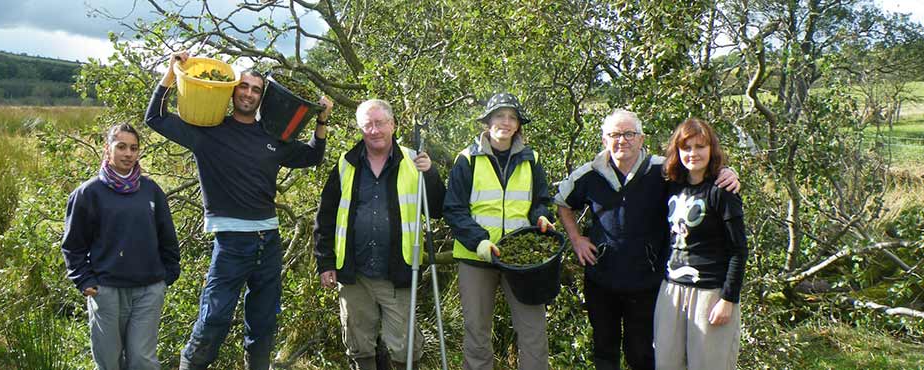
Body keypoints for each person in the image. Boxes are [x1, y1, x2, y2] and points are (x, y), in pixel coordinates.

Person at [144, 52, 333, 370]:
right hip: (231, 243)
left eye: (256, 89)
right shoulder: (208, 132)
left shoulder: (273, 138)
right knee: (214, 316)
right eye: (243, 86)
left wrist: (322, 120)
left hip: (268, 241)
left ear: (263, 97)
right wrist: (171, 72)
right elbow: (155, 118)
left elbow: (313, 156)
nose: (248, 93)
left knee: (264, 320)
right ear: (232, 91)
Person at [554, 110, 739, 370]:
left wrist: (727, 172)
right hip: (601, 280)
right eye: (615, 135)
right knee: (604, 351)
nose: (622, 141)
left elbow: (699, 170)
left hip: (647, 282)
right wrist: (576, 239)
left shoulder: (662, 170)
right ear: (604, 140)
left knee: (642, 354)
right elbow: (562, 203)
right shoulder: (589, 175)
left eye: (629, 134)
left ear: (641, 139)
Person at [314, 99, 446, 370]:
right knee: (359, 344)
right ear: (360, 129)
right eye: (367, 125)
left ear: (393, 125)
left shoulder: (414, 161)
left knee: (405, 347)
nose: (374, 130)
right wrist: (325, 261)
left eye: (380, 123)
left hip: (399, 272)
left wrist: (430, 174)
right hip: (354, 274)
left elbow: (437, 210)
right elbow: (325, 216)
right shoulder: (346, 164)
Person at [443, 93, 555, 370]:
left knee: (533, 331)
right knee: (477, 332)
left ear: (518, 125)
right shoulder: (467, 159)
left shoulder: (532, 159)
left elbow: (541, 201)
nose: (505, 122)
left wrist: (542, 218)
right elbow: (454, 209)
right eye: (499, 116)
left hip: (522, 259)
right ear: (488, 121)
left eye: (512, 117)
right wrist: (479, 241)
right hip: (475, 257)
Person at [60, 123, 181, 370]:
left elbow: (167, 237)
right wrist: (84, 281)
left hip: (148, 291)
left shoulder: (151, 190)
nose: (128, 153)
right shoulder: (88, 193)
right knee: (108, 362)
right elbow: (73, 245)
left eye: (134, 148)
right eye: (121, 147)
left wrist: (166, 277)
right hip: (106, 291)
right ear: (108, 149)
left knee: (142, 360)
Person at [653, 118, 747, 369]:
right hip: (671, 290)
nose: (693, 153)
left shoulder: (722, 190)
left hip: (710, 292)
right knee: (667, 364)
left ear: (711, 150)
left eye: (700, 146)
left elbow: (739, 250)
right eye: (687, 148)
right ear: (678, 151)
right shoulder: (671, 186)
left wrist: (728, 299)